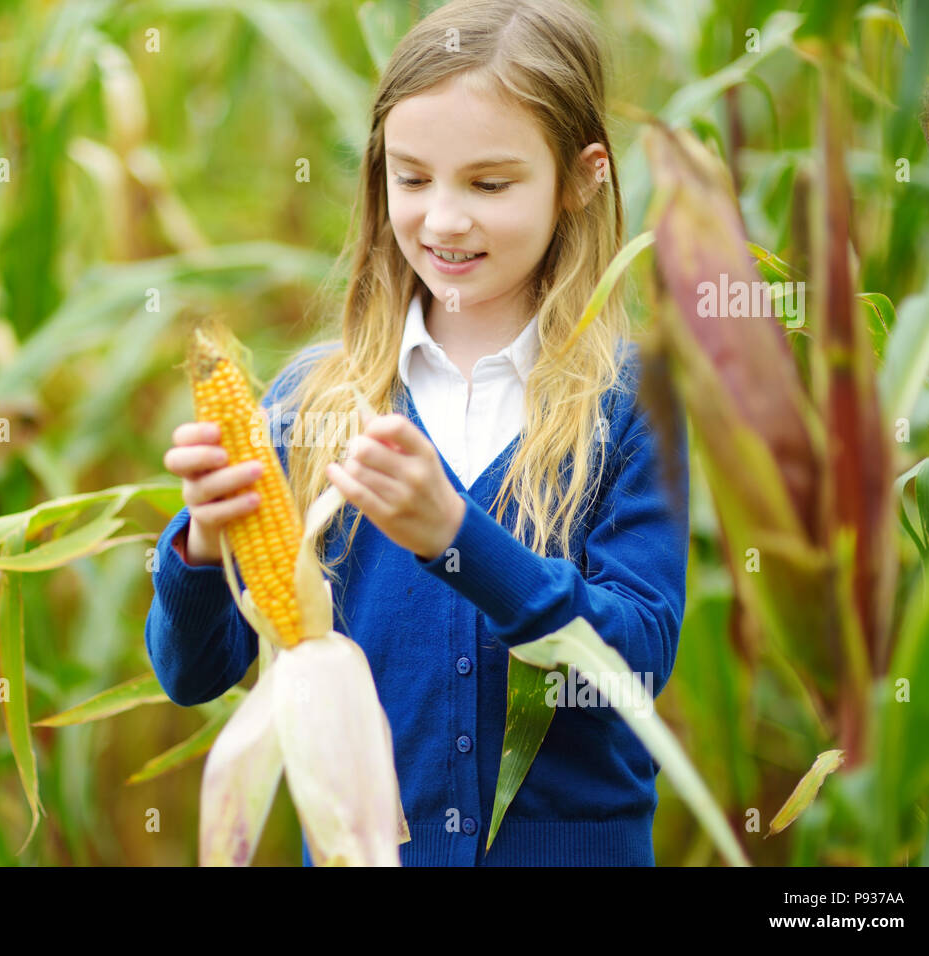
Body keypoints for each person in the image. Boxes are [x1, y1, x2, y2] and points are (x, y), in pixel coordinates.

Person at [146, 0, 689, 866]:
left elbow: (634, 667)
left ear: (583, 177)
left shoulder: (630, 402)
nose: (441, 220)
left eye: (489, 183)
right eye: (412, 178)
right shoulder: (311, 400)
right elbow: (194, 673)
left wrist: (459, 540)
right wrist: (208, 542)